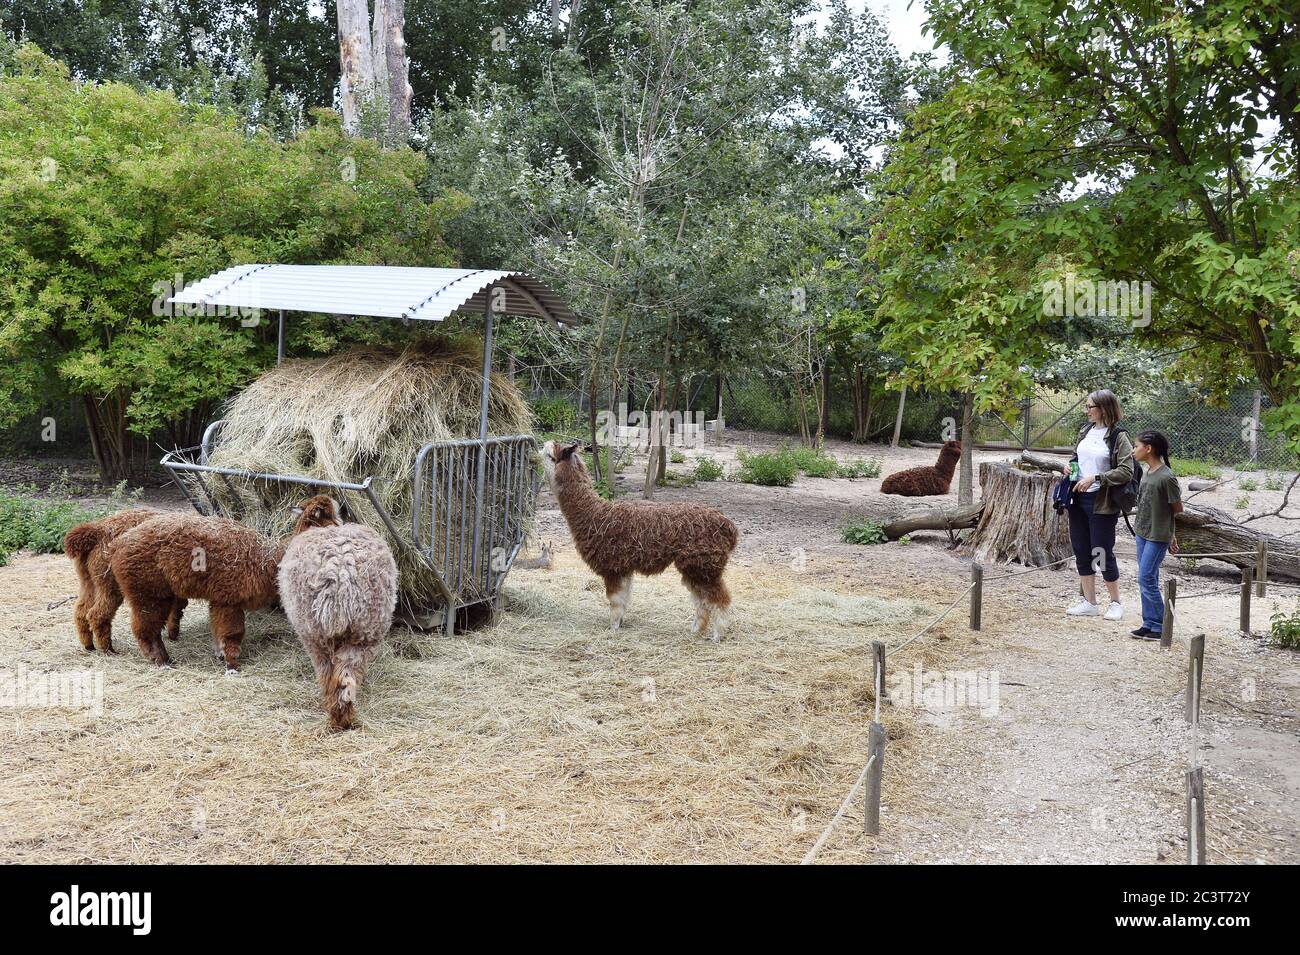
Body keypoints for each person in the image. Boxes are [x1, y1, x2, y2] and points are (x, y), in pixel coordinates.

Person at [1063, 389, 1134, 620]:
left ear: (1104, 408)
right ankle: (1089, 602)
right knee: (1081, 549)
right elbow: (1077, 458)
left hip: (1101, 501)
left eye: (1089, 407)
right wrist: (1070, 467)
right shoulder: (1086, 431)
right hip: (1077, 498)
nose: (1086, 411)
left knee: (1101, 550)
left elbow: (1126, 471)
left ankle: (1115, 602)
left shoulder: (1119, 436)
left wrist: (1096, 478)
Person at [1129, 430, 1183, 640]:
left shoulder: (1166, 477)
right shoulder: (1147, 472)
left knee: (1146, 577)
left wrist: (1172, 534)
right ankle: (1148, 622)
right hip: (1142, 532)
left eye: (1136, 446)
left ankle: (1161, 625)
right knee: (1146, 578)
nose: (1134, 450)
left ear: (1148, 448)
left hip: (1157, 535)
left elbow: (1176, 508)